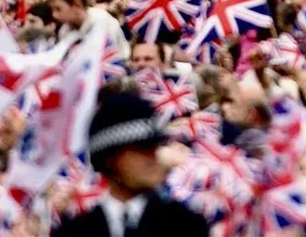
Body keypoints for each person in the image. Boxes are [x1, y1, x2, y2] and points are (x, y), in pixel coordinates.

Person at [52, 92, 210, 237]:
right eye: (141, 148)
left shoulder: (187, 226)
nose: (153, 156)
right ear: (109, 158)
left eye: (155, 145)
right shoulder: (73, 232)